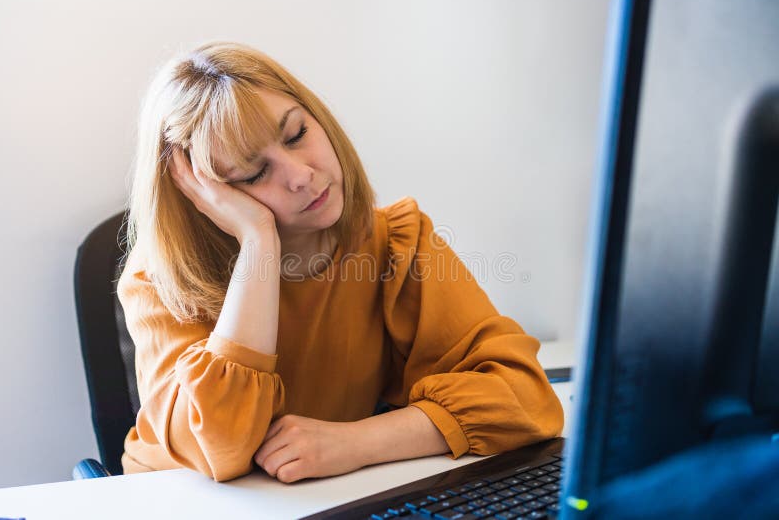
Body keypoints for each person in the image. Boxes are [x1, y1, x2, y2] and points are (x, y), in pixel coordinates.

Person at [118, 41, 564, 484]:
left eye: (296, 134)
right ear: (205, 196)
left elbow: (525, 397)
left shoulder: (395, 242)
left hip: (320, 494)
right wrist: (258, 244)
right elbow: (223, 448)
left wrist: (357, 442)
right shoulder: (158, 280)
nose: (300, 176)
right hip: (175, 499)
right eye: (254, 174)